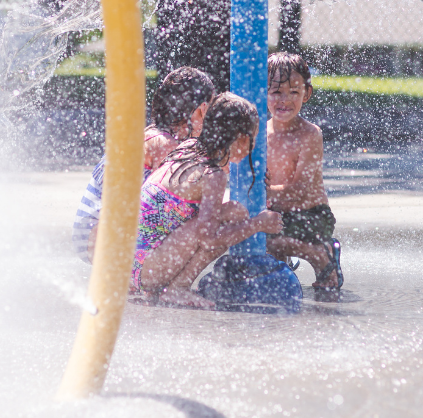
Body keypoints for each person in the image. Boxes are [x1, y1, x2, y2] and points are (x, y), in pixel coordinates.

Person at [133, 92, 283, 308]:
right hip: (148, 269)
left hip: (131, 262)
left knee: (232, 211)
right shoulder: (212, 176)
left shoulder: (188, 148)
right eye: (254, 138)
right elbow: (210, 239)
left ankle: (170, 287)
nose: (254, 147)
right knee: (229, 220)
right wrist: (257, 224)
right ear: (241, 138)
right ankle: (177, 289)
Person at [72, 67, 216, 263]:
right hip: (102, 241)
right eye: (212, 111)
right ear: (201, 110)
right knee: (200, 213)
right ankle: (163, 285)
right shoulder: (165, 146)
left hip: (91, 236)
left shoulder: (150, 135)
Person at [263, 51, 342, 294]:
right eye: (276, 92)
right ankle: (282, 266)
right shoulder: (259, 133)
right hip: (277, 211)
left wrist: (261, 194)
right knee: (259, 244)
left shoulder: (309, 134)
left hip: (312, 215)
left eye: (294, 92)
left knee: (272, 241)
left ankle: (322, 256)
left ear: (306, 94)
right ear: (262, 92)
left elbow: (299, 191)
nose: (284, 100)